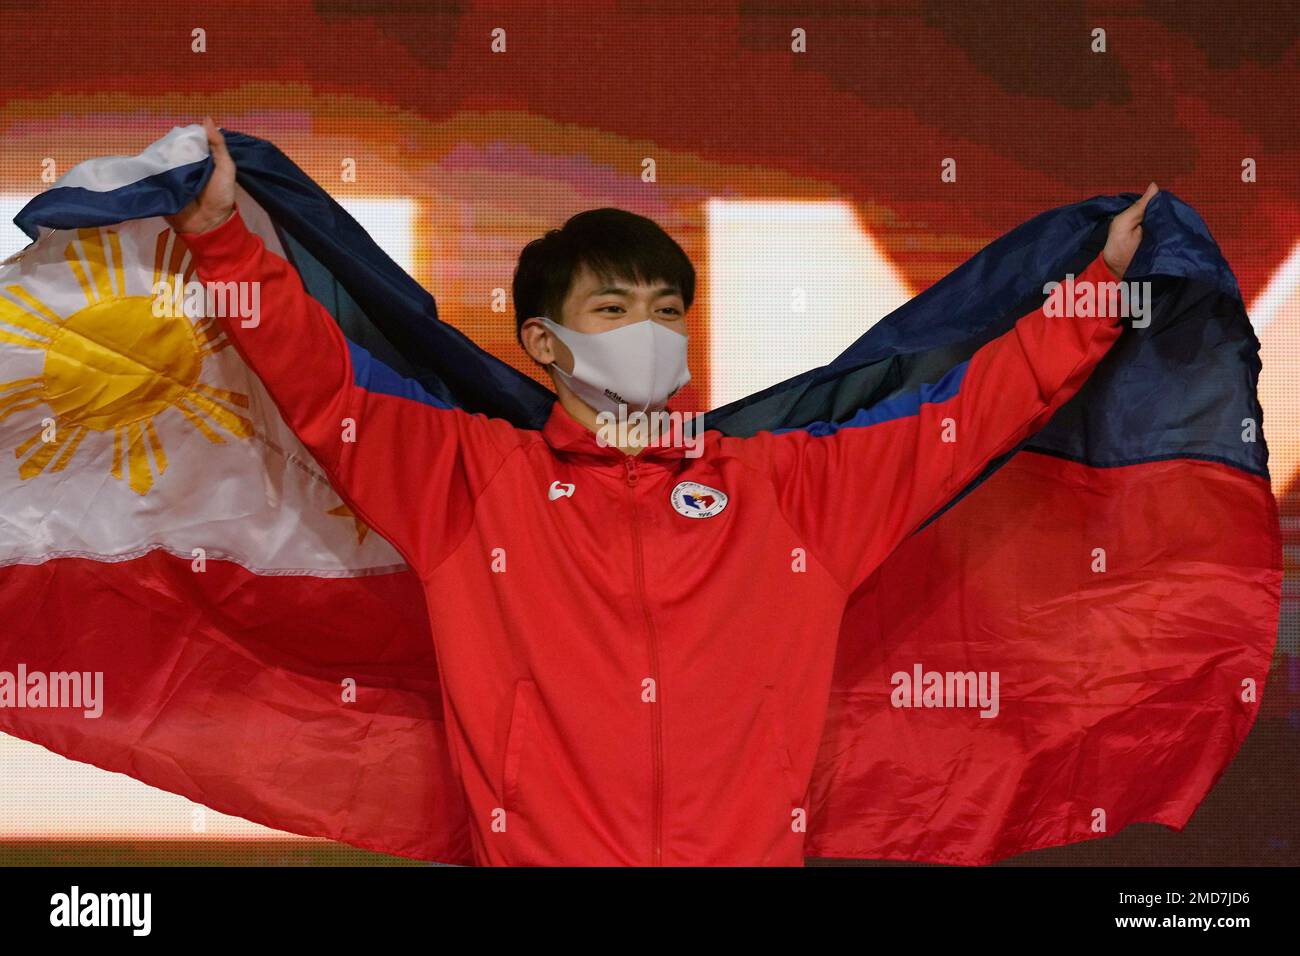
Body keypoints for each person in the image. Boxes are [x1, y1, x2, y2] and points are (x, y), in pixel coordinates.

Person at [167, 116, 1157, 866]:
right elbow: (318, 384)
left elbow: (975, 413)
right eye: (612, 306)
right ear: (543, 344)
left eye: (666, 308)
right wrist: (219, 240)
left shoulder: (794, 490)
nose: (648, 329)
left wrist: (1102, 287)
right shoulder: (466, 481)